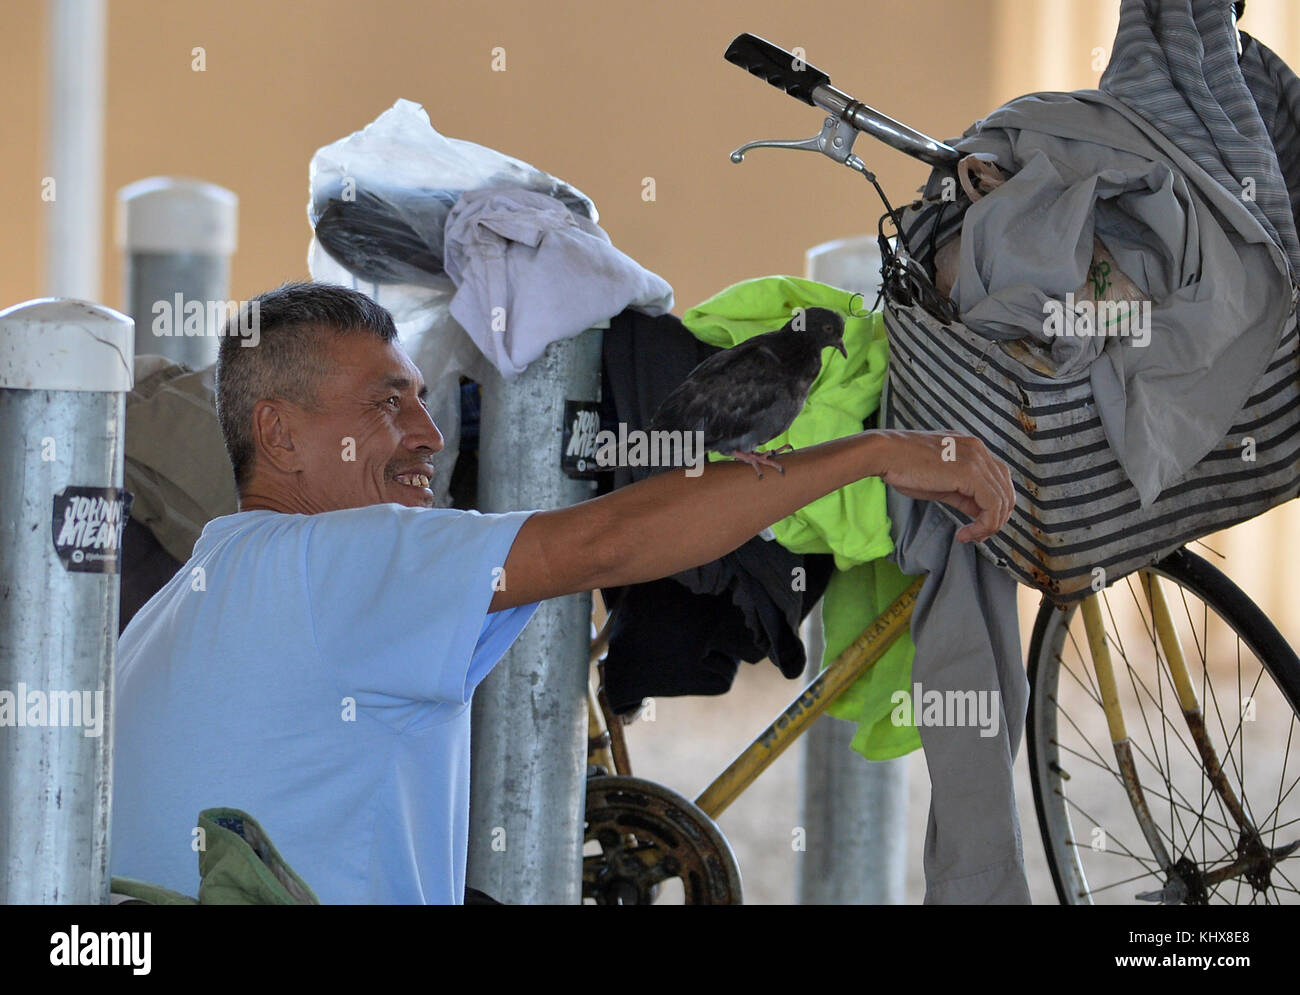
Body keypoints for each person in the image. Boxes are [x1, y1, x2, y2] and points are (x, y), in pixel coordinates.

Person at [109, 281, 1014, 904]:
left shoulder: (191, 592)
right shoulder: (335, 558)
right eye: (388, 403)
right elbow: (608, 541)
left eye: (422, 400)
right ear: (279, 432)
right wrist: (878, 453)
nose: (428, 433)